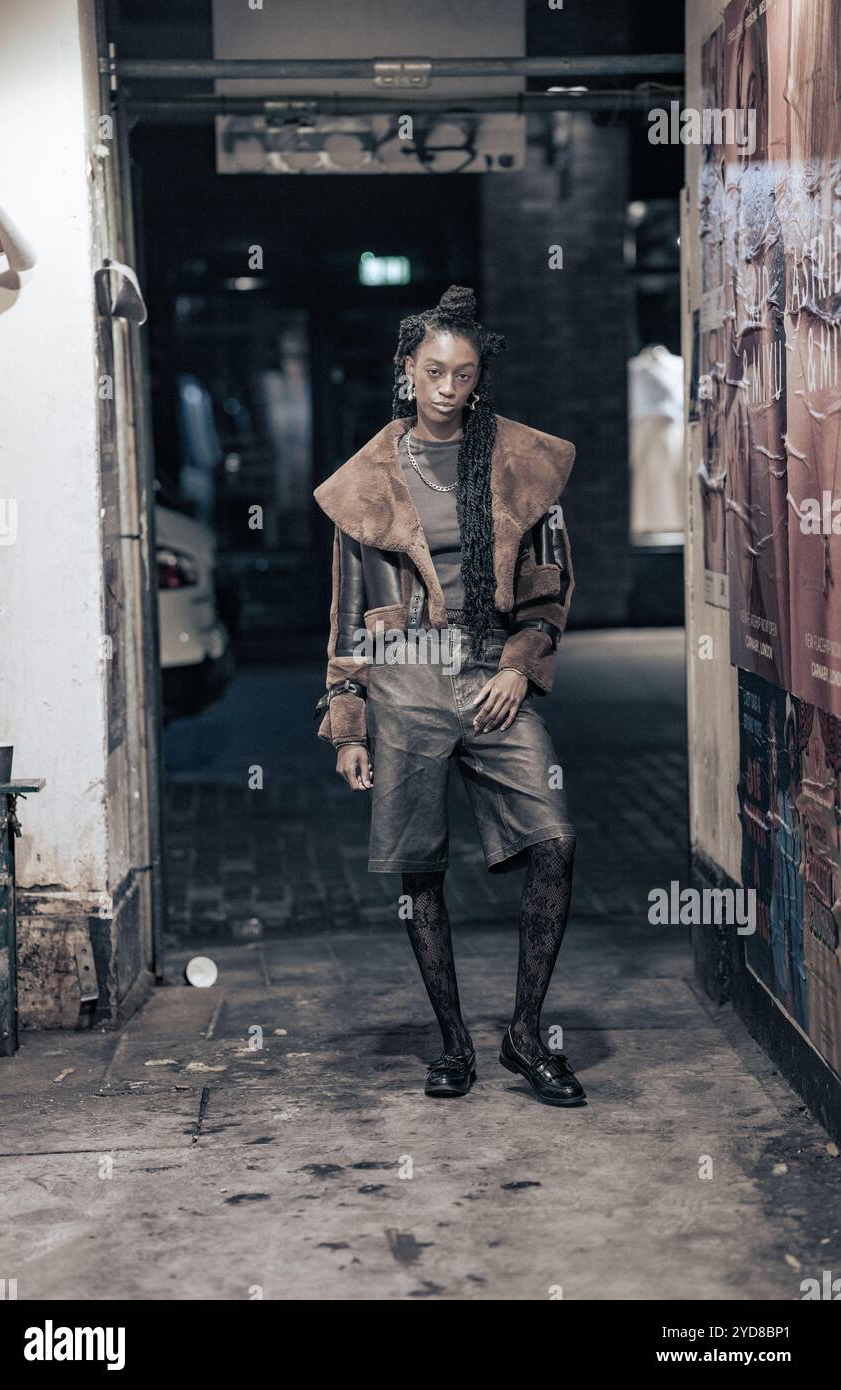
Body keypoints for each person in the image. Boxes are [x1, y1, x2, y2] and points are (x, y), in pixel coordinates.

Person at [312, 286, 584, 1106]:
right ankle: (454, 1045)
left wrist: (518, 662)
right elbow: (346, 612)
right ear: (406, 370)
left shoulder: (518, 461)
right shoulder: (366, 479)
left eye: (462, 374)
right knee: (420, 867)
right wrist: (348, 723)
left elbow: (549, 585)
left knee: (554, 841)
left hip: (491, 675)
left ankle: (524, 1036)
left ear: (478, 378)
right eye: (432, 370)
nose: (446, 388)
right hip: (406, 680)